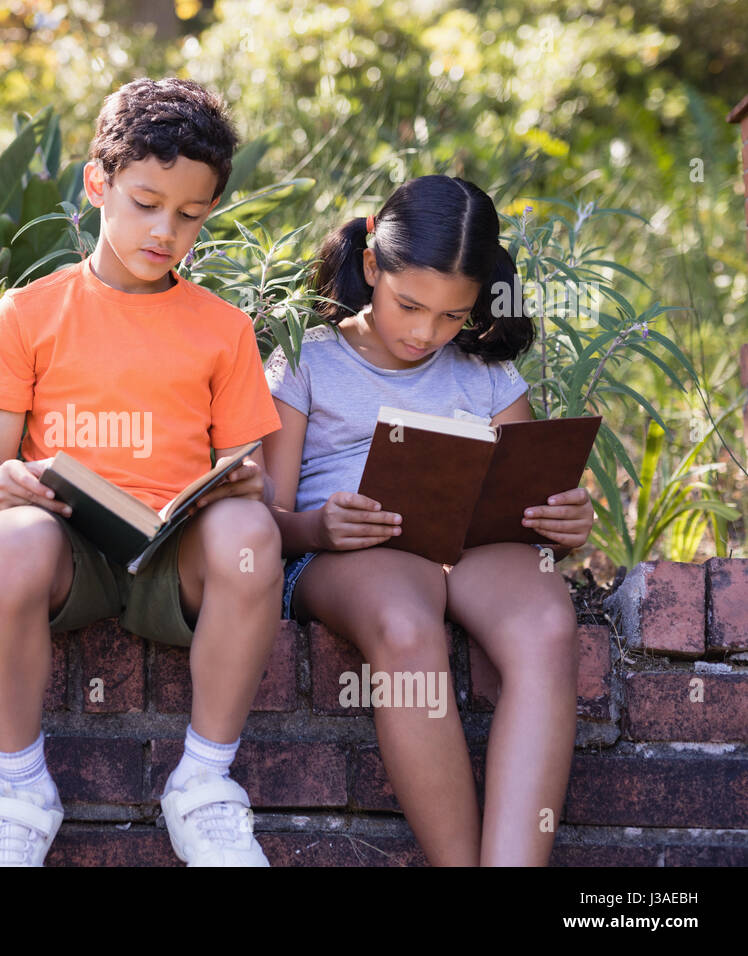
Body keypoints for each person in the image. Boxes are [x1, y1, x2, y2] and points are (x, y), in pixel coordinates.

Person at [0, 78, 284, 867]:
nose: (164, 231)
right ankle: (19, 790)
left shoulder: (223, 328)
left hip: (176, 559)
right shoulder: (28, 314)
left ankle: (203, 786)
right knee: (9, 537)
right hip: (69, 553)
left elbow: (258, 476)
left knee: (248, 530)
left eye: (189, 215)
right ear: (97, 184)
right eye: (145, 203)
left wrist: (242, 482)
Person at [262, 174, 595, 866]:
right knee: (405, 625)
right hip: (348, 550)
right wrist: (318, 528)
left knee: (546, 621)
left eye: (452, 316)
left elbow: (524, 499)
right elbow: (267, 515)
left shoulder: (487, 374)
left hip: (472, 545)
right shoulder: (306, 359)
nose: (424, 333)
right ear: (370, 266)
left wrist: (559, 520)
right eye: (409, 305)